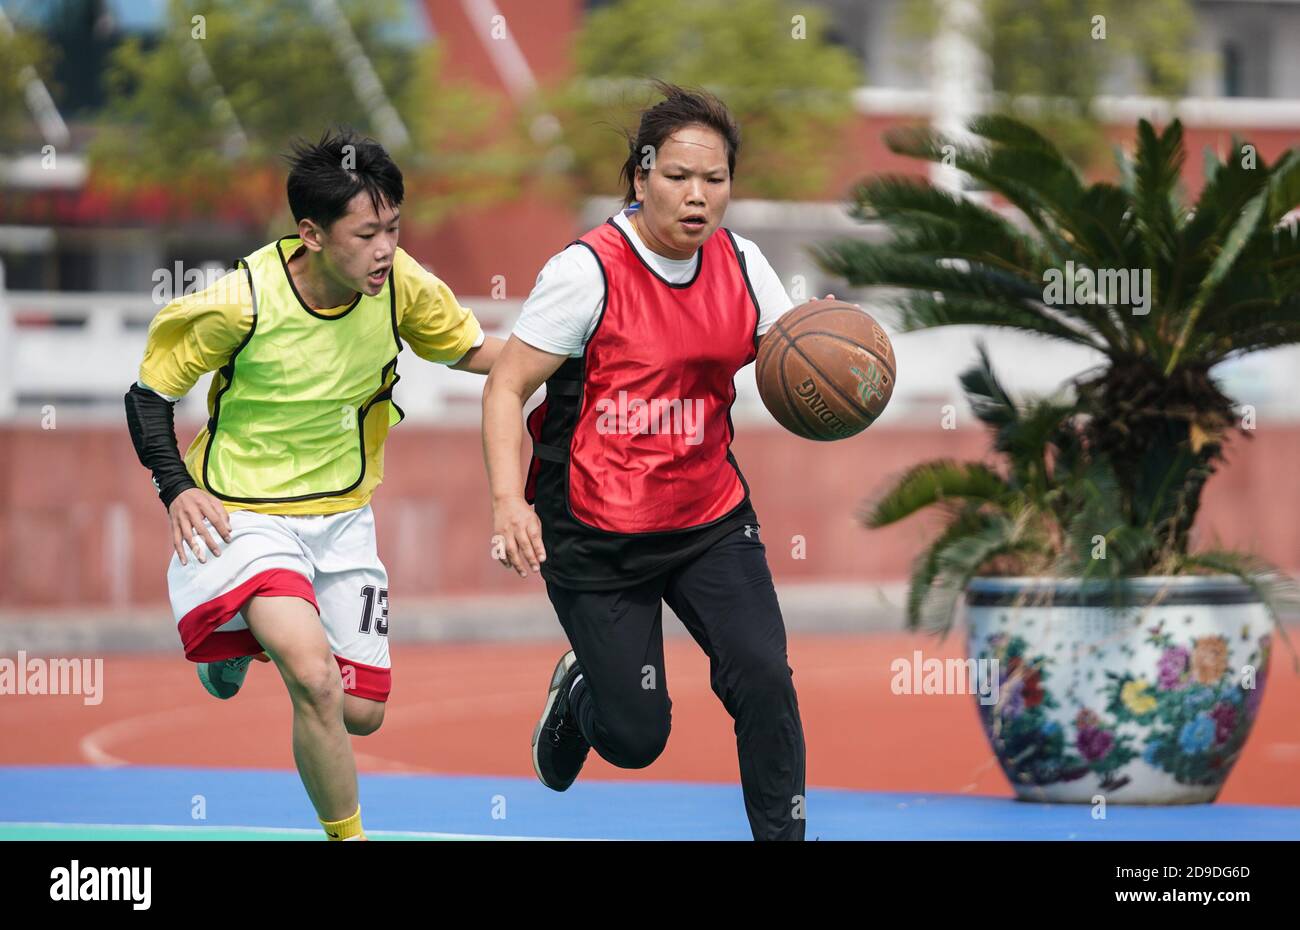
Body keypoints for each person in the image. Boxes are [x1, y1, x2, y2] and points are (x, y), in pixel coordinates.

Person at [125, 130, 501, 841]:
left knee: (361, 711)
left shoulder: (399, 289)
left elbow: (474, 351)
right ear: (313, 234)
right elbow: (148, 395)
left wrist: (578, 354)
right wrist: (177, 488)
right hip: (241, 516)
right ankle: (347, 838)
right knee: (314, 678)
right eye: (367, 233)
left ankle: (230, 642)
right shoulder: (243, 302)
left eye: (394, 227)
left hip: (342, 519)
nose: (386, 248)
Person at [482, 83, 807, 840]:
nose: (698, 197)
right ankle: (583, 694)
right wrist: (508, 502)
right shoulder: (585, 273)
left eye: (716, 180)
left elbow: (796, 363)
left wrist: (831, 368)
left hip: (709, 517)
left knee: (765, 680)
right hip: (595, 530)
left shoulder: (743, 263)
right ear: (640, 178)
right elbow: (506, 386)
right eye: (678, 178)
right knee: (635, 737)